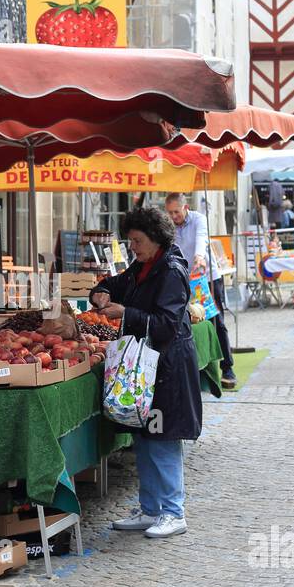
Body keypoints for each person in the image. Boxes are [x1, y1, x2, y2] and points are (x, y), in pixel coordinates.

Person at [92, 207, 202, 540]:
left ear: (155, 239)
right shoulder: (143, 266)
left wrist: (127, 312)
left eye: (138, 241)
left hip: (167, 366)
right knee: (145, 436)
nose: (133, 248)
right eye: (131, 242)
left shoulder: (170, 271)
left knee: (164, 438)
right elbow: (114, 282)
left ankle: (173, 511)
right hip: (144, 368)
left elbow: (167, 325)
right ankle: (151, 508)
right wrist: (99, 292)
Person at [164, 192, 236, 387]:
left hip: (207, 277)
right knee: (190, 321)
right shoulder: (168, 226)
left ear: (185, 208)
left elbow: (201, 239)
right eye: (169, 212)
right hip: (184, 280)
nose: (173, 217)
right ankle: (196, 369)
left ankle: (227, 367)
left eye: (176, 212)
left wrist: (199, 256)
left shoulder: (198, 219)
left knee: (216, 320)